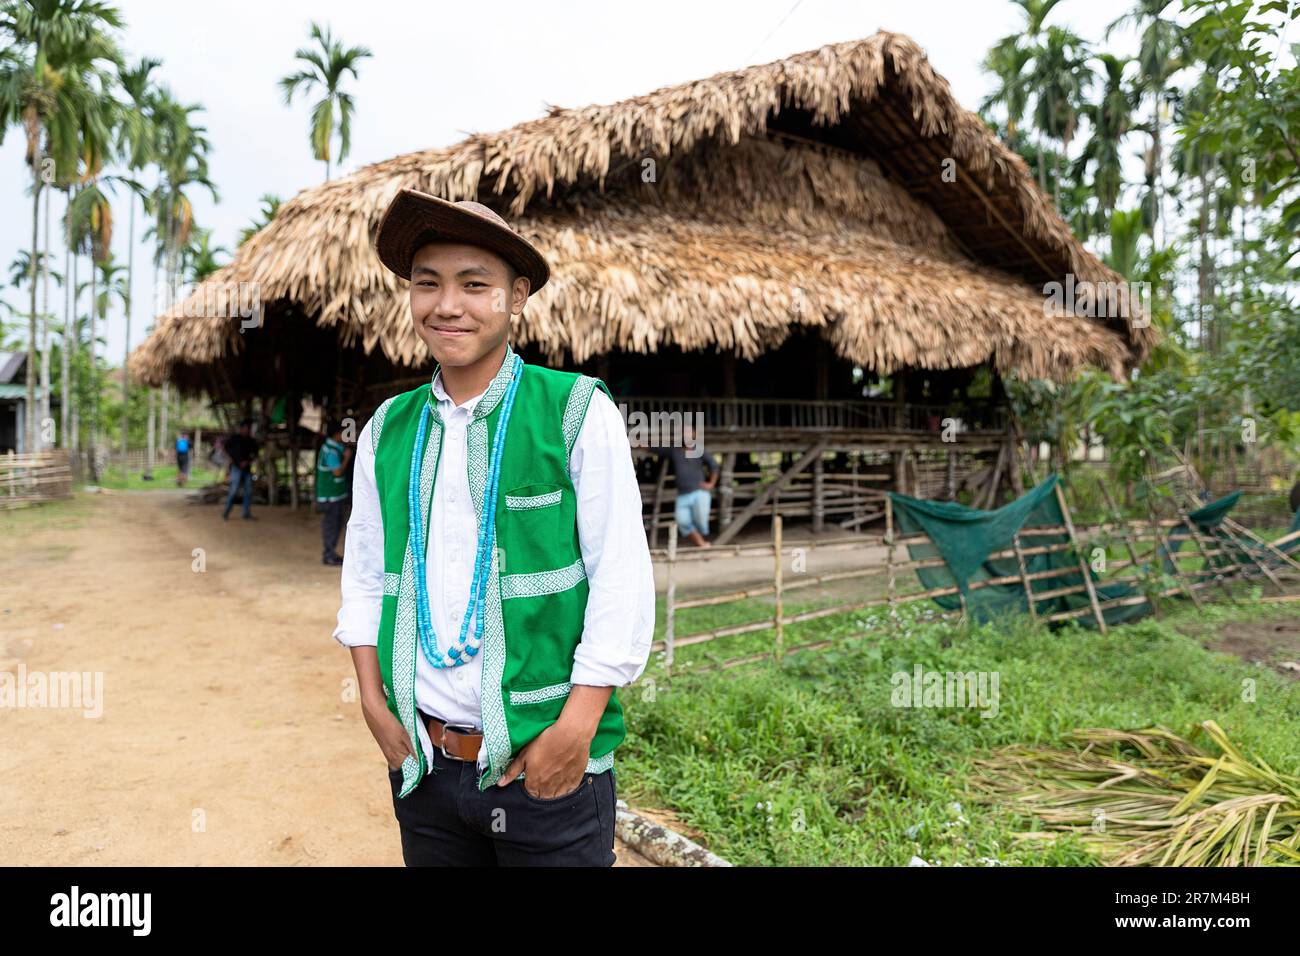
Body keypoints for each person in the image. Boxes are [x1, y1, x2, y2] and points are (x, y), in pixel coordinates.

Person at [332, 189, 655, 866]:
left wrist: (576, 727)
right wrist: (371, 698)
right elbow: (365, 572)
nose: (448, 305)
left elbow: (620, 577)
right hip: (425, 767)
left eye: (474, 285)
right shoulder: (389, 428)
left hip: (544, 770)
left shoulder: (574, 412)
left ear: (518, 296)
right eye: (428, 284)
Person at [660, 418, 720, 547]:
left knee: (701, 522)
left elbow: (714, 465)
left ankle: (704, 541)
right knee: (682, 521)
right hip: (682, 494)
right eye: (683, 433)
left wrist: (711, 484)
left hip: (699, 492)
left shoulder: (699, 450)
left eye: (688, 432)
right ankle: (702, 543)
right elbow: (656, 449)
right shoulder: (675, 450)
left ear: (694, 435)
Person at [316, 420, 354, 565]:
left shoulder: (333, 448)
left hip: (334, 495)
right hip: (330, 496)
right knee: (331, 526)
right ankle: (328, 555)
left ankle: (331, 553)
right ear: (336, 434)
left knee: (335, 524)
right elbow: (337, 472)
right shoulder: (331, 451)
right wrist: (346, 458)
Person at [221, 419, 259, 521]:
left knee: (248, 492)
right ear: (241, 429)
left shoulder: (251, 441)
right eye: (245, 428)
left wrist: (248, 462)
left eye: (248, 429)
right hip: (236, 468)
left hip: (247, 469)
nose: (246, 430)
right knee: (233, 491)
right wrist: (231, 459)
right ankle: (226, 512)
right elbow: (224, 449)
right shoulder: (234, 439)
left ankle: (246, 513)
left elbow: (255, 454)